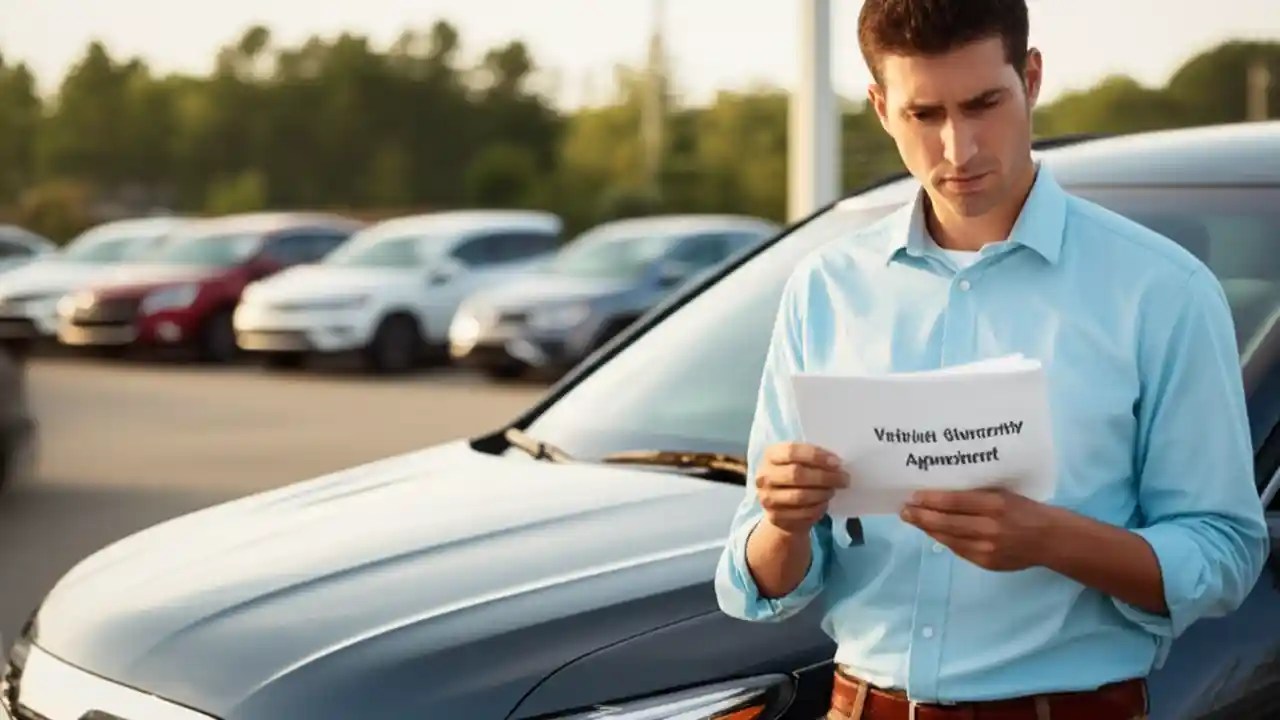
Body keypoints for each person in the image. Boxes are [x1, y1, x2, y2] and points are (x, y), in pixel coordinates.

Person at [714, 1, 1270, 718]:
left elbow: (1224, 554)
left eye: (984, 104)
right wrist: (783, 522)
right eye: (925, 115)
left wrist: (1048, 538)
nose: (959, 149)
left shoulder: (1163, 291)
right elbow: (758, 578)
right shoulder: (826, 288)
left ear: (1030, 78)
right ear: (881, 108)